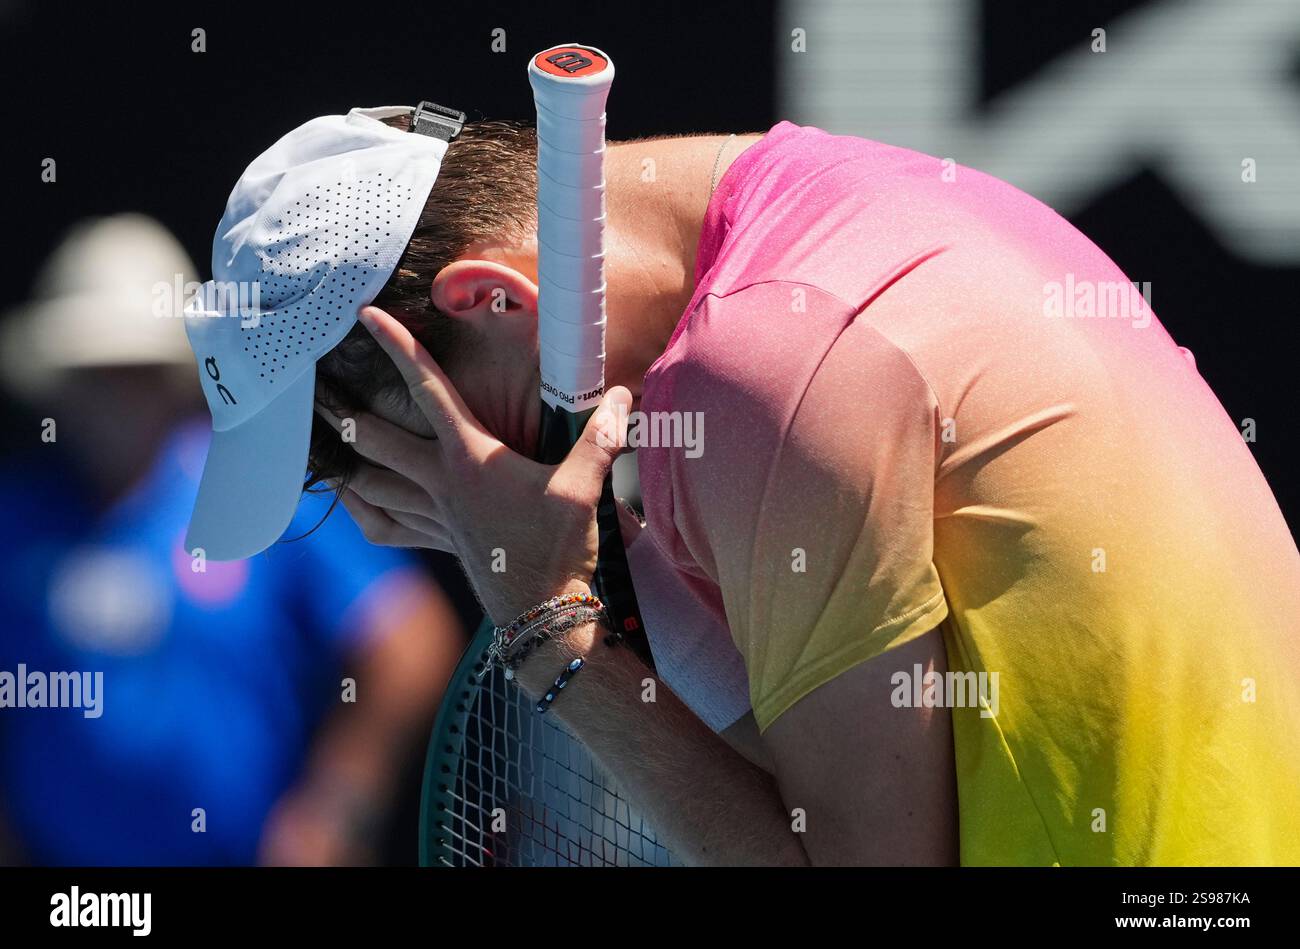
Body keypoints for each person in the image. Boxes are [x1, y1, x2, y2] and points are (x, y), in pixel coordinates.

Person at [180, 106, 1300, 865]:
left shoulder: (764, 366)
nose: (451, 482)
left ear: (490, 300)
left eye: (420, 436)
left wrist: (547, 630)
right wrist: (592, 573)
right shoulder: (843, 206)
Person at [0, 215, 466, 865]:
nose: (112, 394)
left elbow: (410, 638)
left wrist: (335, 809)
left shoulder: (255, 490)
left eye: (133, 367)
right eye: (90, 369)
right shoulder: (16, 516)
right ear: (57, 382)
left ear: (177, 374)